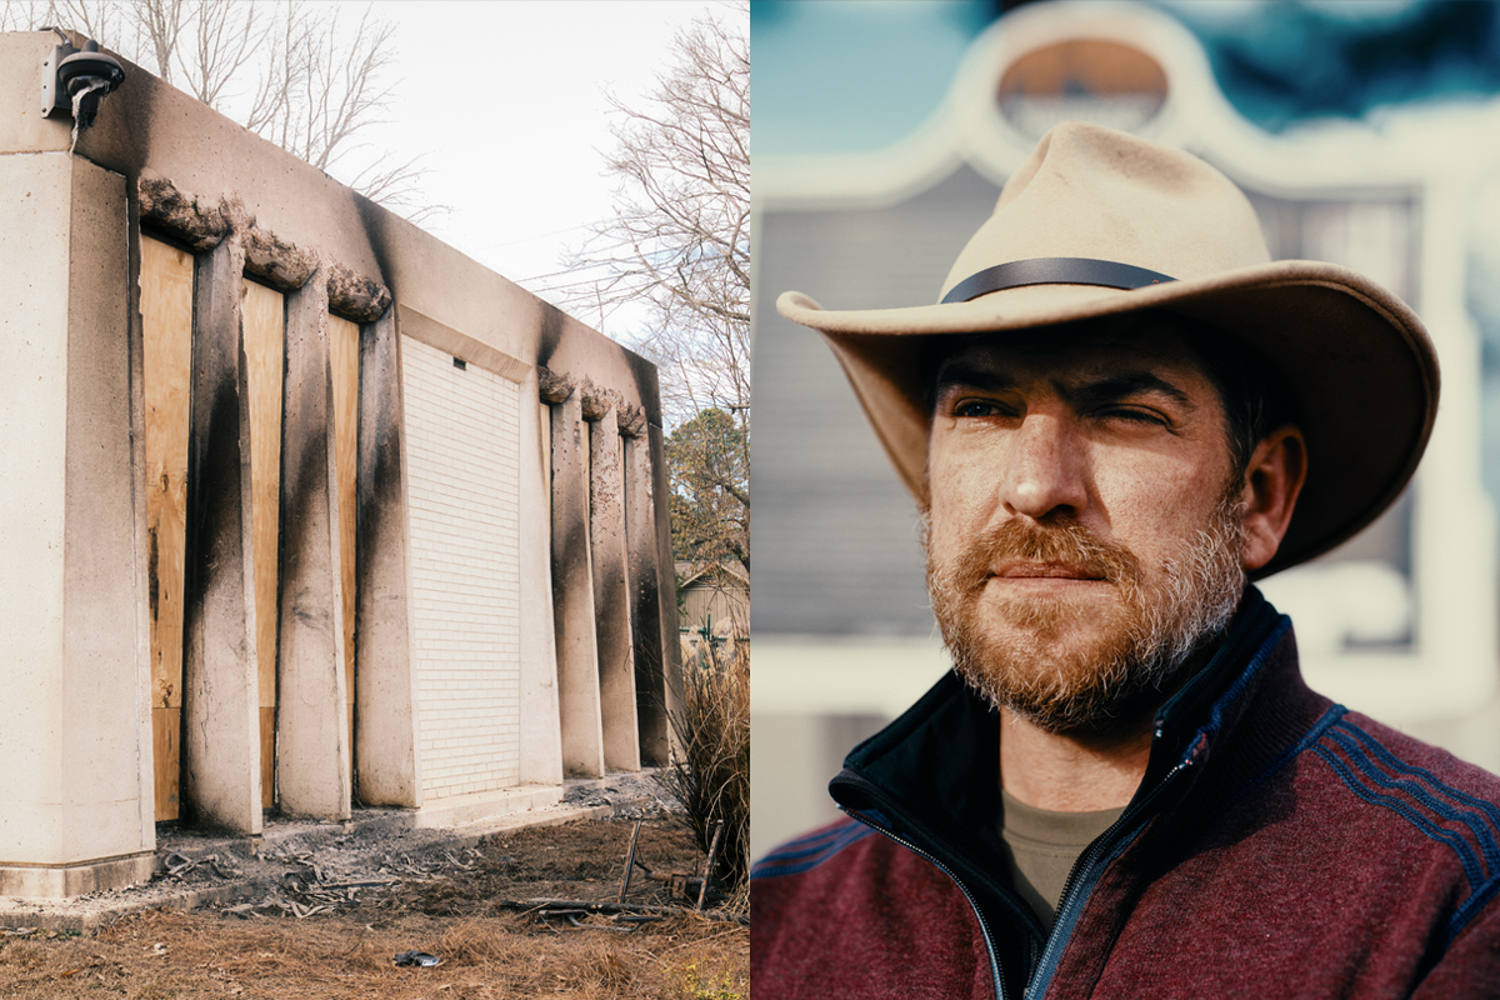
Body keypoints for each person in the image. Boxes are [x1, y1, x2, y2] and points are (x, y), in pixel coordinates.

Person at [751, 121, 1500, 999]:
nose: (1035, 487)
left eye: (1126, 412)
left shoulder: (1454, 892)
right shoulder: (786, 913)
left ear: (1258, 495)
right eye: (984, 410)